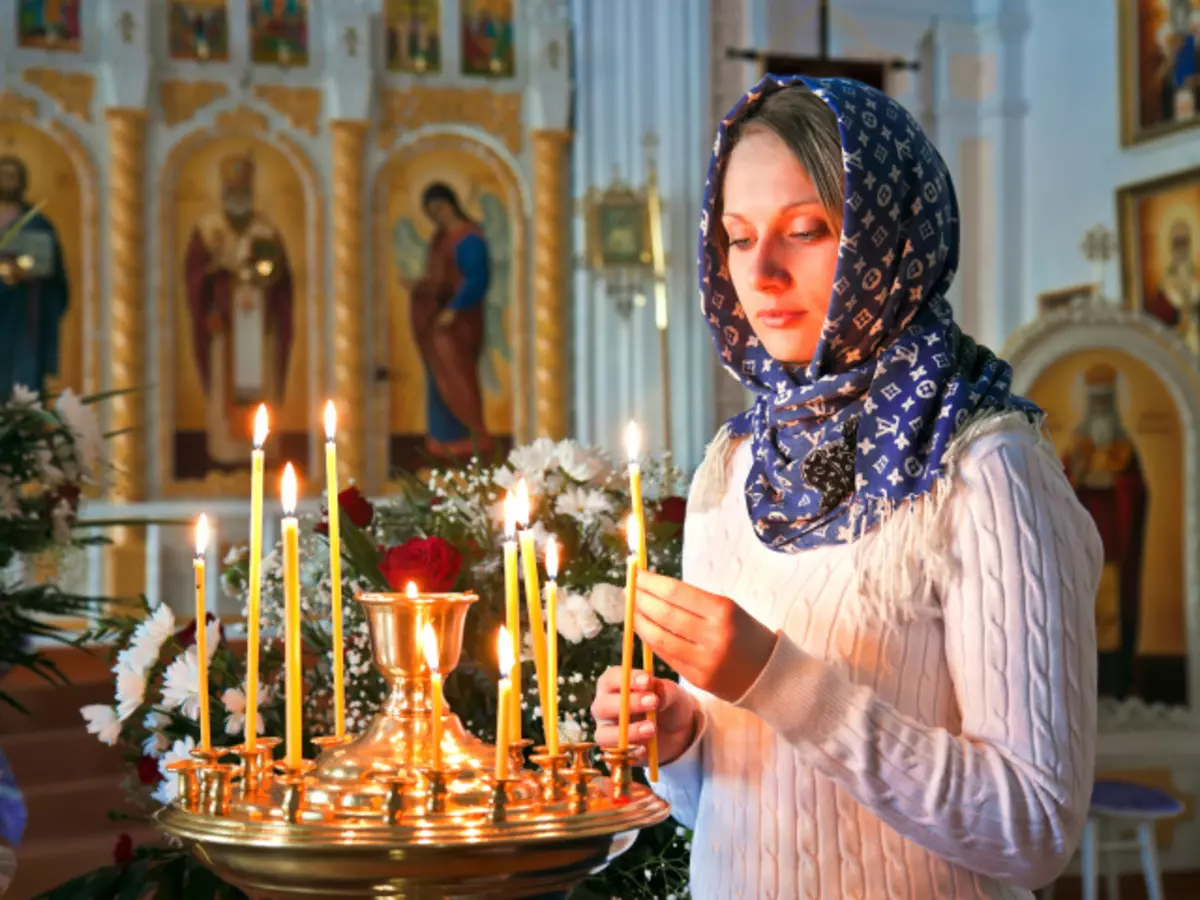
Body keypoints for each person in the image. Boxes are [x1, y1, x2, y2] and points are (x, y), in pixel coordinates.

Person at [592, 75, 1102, 898]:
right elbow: (725, 809)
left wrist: (780, 680)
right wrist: (684, 742)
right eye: (735, 236)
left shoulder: (985, 467)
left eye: (805, 230)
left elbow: (1033, 829)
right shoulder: (734, 467)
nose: (759, 272)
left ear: (886, 239)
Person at [184, 153, 294, 469]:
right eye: (232, 187)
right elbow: (194, 276)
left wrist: (268, 276)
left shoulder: (265, 230)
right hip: (225, 322)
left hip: (260, 322)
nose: (237, 193)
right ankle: (227, 452)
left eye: (243, 187)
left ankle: (265, 447)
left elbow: (282, 281)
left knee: (260, 380)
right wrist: (214, 274)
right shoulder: (208, 229)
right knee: (226, 382)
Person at [1063, 364, 1147, 700]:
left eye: (1105, 403)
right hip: (1081, 550)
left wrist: (1118, 484)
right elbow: (1059, 489)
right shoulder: (1077, 449)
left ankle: (1116, 685)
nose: (1100, 410)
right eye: (1094, 402)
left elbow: (1140, 492)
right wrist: (1078, 480)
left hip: (1115, 548)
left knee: (1115, 615)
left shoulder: (1125, 450)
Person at [403, 182, 494, 459]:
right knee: (438, 379)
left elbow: (477, 278)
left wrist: (454, 308)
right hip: (438, 321)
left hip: (459, 322)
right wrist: (420, 287)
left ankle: (472, 436)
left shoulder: (469, 239)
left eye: (437, 209)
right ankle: (443, 442)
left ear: (450, 205)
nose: (435, 216)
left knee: (458, 377)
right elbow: (438, 280)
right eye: (430, 212)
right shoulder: (441, 238)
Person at [0, 154, 69, 399]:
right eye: (3, 175)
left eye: (13, 176)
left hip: (24, 313)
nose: (7, 181)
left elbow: (53, 271)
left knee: (22, 378)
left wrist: (23, 269)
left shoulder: (37, 223)